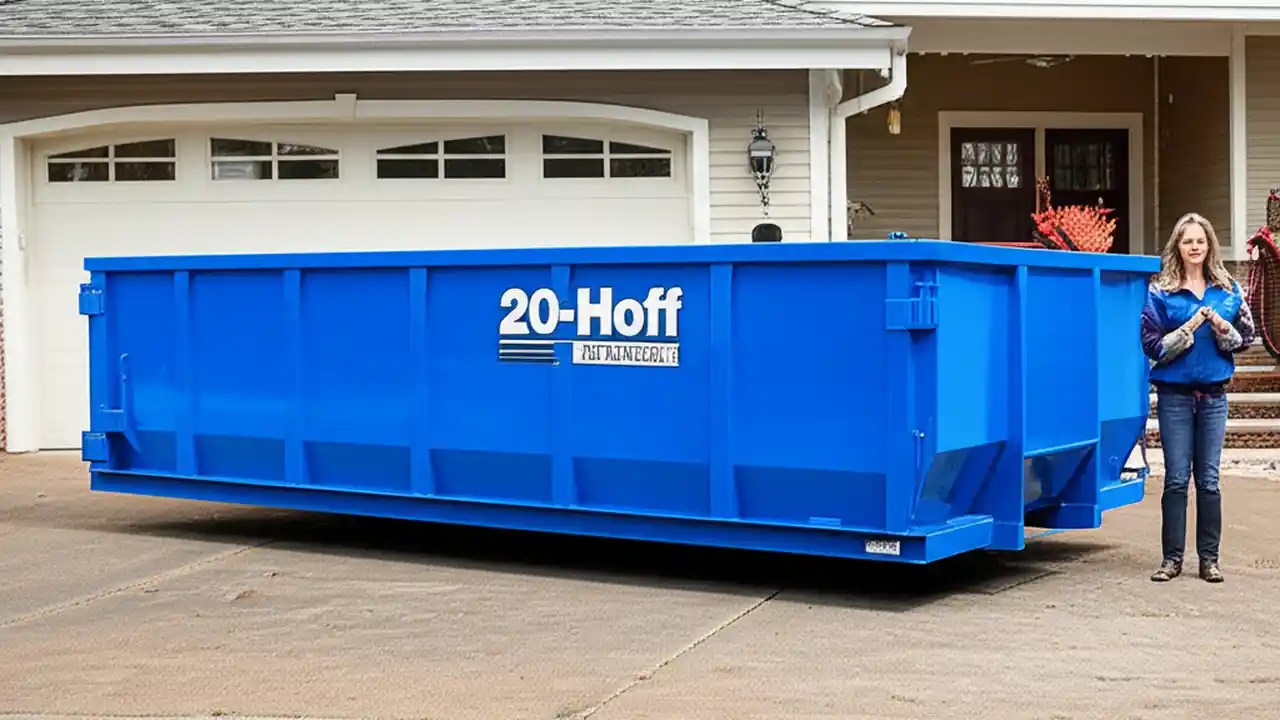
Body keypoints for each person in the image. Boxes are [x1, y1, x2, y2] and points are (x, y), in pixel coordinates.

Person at [1140, 212, 1254, 583]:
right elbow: (1152, 346)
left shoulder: (1229, 290)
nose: (1194, 247)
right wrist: (1189, 327)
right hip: (1174, 397)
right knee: (1175, 479)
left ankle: (1209, 560)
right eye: (1187, 241)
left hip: (1214, 397)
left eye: (1200, 241)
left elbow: (1245, 339)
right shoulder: (1161, 292)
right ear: (1178, 245)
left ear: (1209, 247)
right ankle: (1171, 559)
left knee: (1208, 480)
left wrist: (1222, 328)